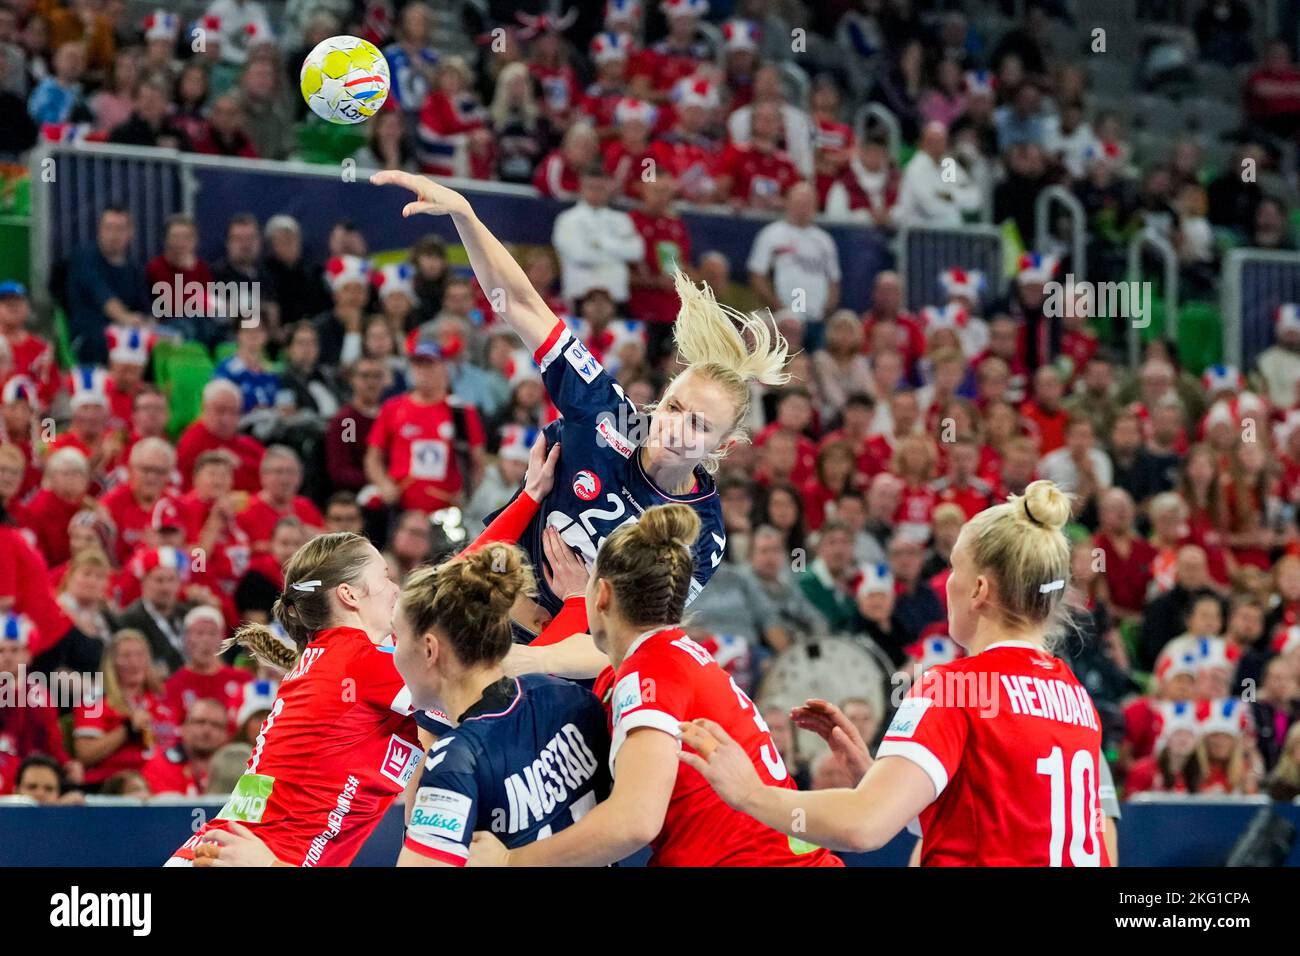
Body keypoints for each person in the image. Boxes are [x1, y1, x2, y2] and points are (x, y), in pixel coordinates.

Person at [370, 169, 789, 617]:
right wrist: (466, 215)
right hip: (485, 603)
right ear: (661, 399)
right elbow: (517, 302)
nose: (675, 429)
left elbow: (634, 641)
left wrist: (573, 608)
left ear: (722, 446)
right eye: (674, 408)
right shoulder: (605, 411)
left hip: (564, 663)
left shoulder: (702, 532)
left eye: (699, 425)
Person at [682, 480, 1111, 866]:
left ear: (979, 590)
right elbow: (1001, 826)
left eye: (954, 570)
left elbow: (863, 826)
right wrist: (879, 779)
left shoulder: (957, 687)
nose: (946, 583)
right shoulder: (1076, 697)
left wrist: (749, 793)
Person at [469, 504, 842, 867]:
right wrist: (536, 658)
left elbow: (634, 822)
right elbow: (599, 659)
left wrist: (509, 861)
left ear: (602, 595)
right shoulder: (664, 656)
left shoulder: (648, 675)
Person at [165, 529, 422, 866]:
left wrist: (518, 506)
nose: (397, 589)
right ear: (349, 594)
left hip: (217, 851)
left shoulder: (334, 657)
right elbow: (466, 637)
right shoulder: (359, 660)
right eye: (386, 577)